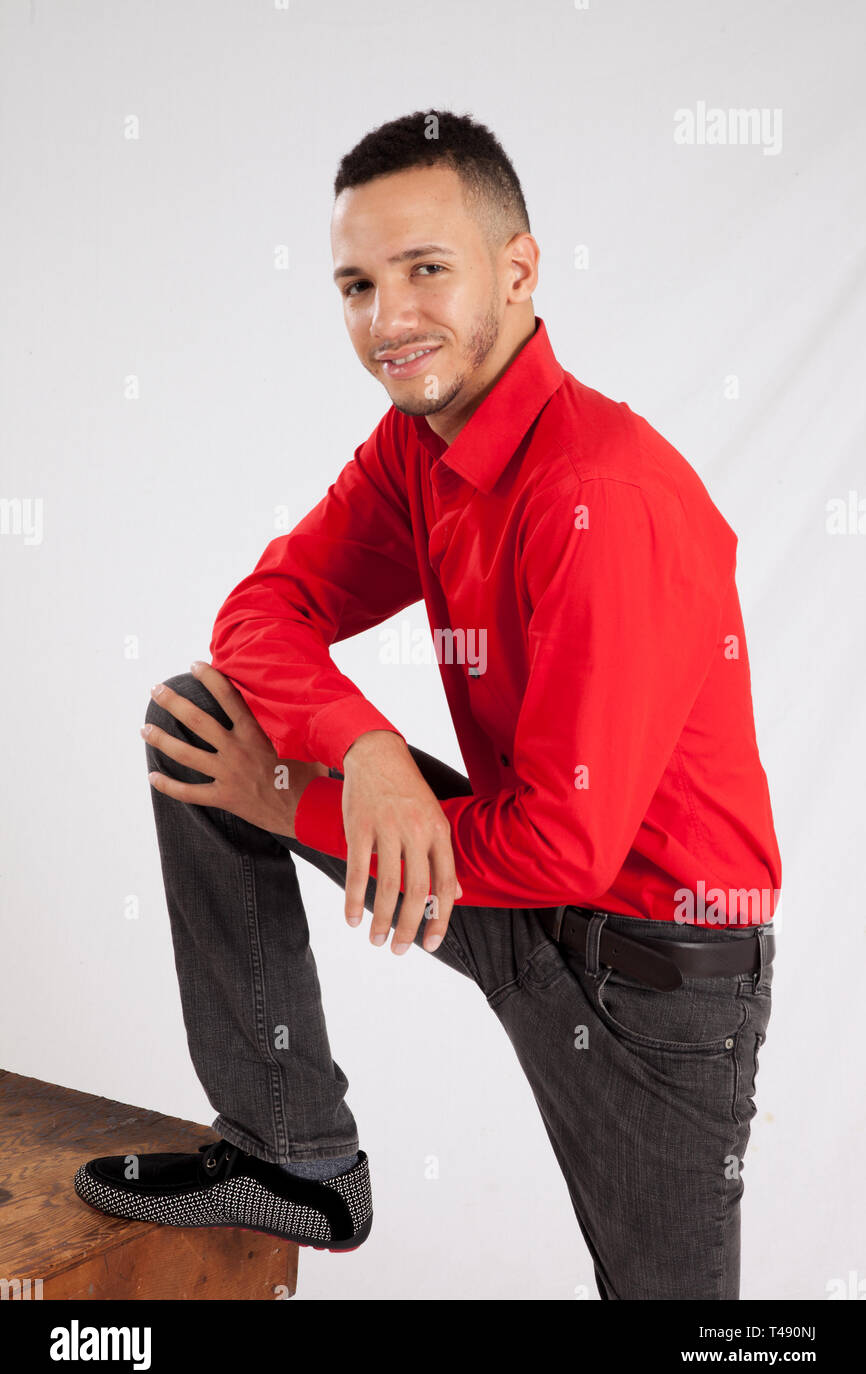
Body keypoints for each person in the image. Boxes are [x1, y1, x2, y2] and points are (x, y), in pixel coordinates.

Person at [73, 109, 781, 1298]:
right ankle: (292, 1156)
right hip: (508, 871)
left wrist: (296, 799)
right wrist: (361, 751)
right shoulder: (418, 446)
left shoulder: (597, 495)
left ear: (517, 270)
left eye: (424, 271)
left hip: (657, 970)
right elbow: (260, 612)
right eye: (356, 282)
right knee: (196, 718)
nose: (385, 318)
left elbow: (567, 840)